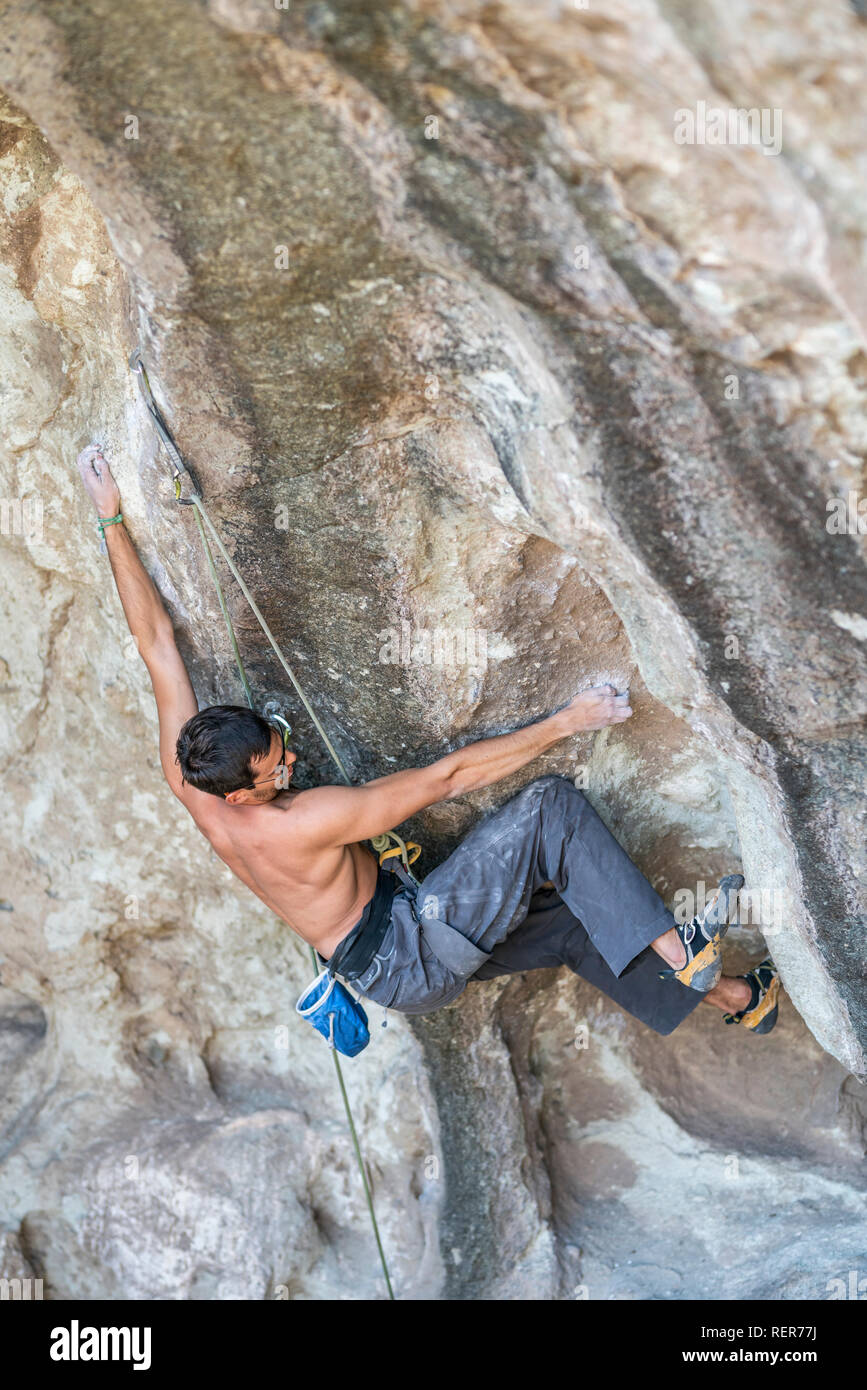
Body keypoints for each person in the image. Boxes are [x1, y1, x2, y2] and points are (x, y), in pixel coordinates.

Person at [77, 445, 782, 1038]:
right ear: (242, 793)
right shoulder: (302, 822)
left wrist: (110, 516)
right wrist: (565, 722)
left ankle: (737, 1001)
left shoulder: (191, 782)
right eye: (275, 768)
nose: (290, 759)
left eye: (279, 741)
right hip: (414, 946)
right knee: (550, 811)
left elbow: (156, 645)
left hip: (392, 967)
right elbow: (447, 779)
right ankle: (680, 951)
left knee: (576, 918)